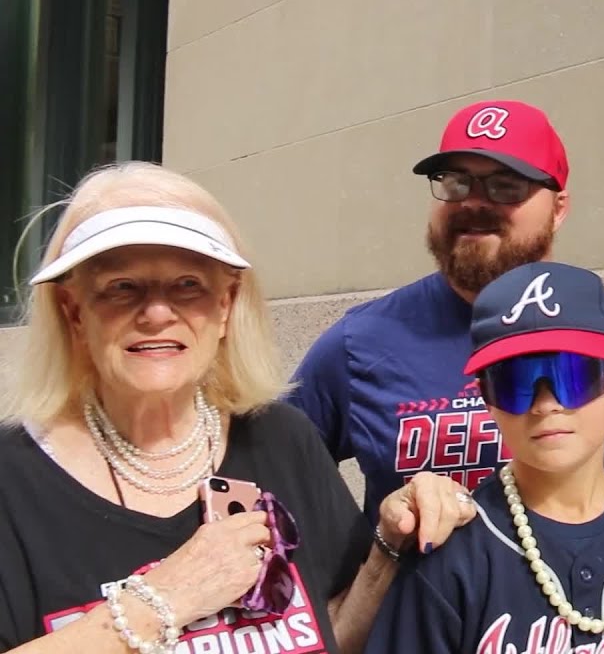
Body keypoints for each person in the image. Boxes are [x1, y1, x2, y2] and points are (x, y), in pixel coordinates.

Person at [0, 162, 471, 654]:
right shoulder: (13, 478)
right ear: (75, 312)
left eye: (187, 285)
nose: (157, 313)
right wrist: (159, 601)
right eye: (122, 287)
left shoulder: (281, 438)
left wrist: (389, 548)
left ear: (225, 307)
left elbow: (334, 633)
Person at [286, 100, 604, 524]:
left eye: (506, 185)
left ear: (559, 208)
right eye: (456, 182)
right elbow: (279, 483)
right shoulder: (359, 342)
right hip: (423, 589)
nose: (473, 203)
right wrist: (354, 579)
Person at [365, 261, 604, 654]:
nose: (546, 404)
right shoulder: (451, 557)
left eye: (574, 375)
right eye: (514, 382)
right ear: (486, 399)